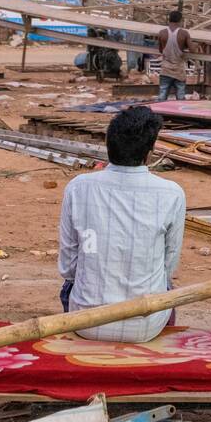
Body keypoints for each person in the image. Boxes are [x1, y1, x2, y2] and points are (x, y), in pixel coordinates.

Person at [57, 106, 186, 341]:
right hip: (146, 326)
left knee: (71, 283)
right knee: (166, 288)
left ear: (108, 146)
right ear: (150, 152)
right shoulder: (172, 193)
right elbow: (169, 266)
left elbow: (68, 267)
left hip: (85, 321)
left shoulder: (78, 187)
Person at [158, 9, 192, 102]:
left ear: (169, 19)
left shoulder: (162, 33)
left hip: (165, 69)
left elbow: (161, 50)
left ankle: (159, 114)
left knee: (162, 95)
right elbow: (192, 50)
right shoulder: (184, 33)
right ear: (180, 20)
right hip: (179, 70)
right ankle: (180, 115)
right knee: (180, 97)